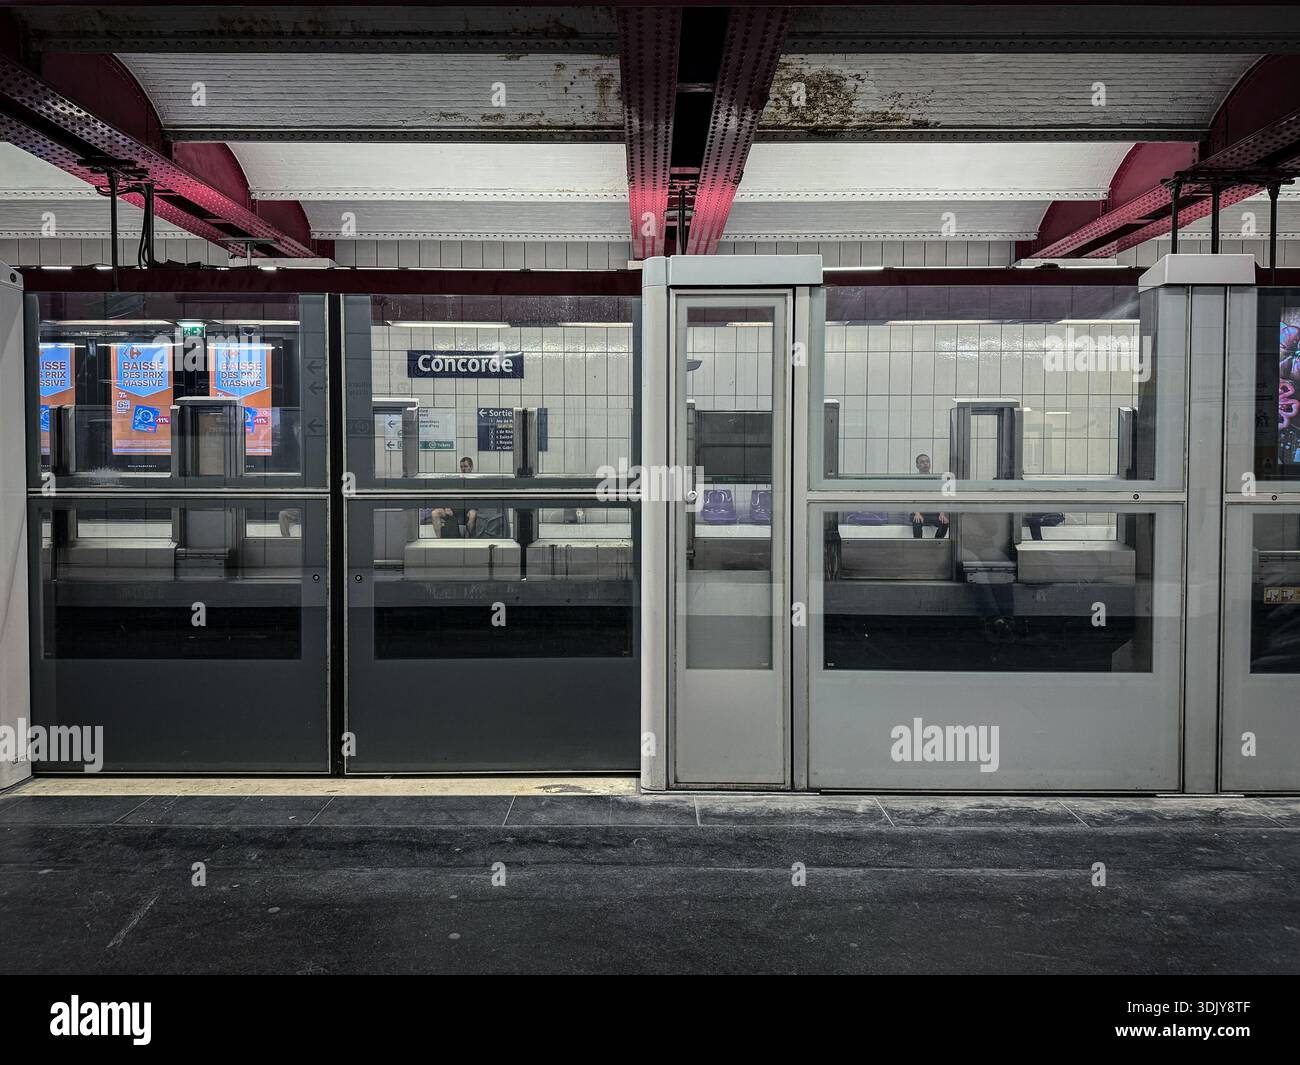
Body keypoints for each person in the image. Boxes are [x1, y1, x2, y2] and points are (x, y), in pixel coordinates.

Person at [910, 452, 949, 539]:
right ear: (917, 466)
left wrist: (942, 514)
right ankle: (919, 545)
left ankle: (936, 544)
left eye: (927, 461)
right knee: (917, 521)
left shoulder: (936, 479)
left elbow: (940, 497)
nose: (925, 463)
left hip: (932, 512)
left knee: (944, 522)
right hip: (917, 511)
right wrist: (917, 513)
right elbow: (912, 497)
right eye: (922, 462)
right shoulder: (914, 480)